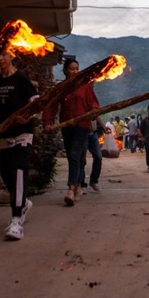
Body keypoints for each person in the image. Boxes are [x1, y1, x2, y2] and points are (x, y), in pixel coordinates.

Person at [0, 50, 38, 240]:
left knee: (18, 170)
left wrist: (28, 116)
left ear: (11, 56)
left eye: (4, 54)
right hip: (5, 134)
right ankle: (23, 203)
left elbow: (35, 102)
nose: (0, 58)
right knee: (7, 173)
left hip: (23, 133)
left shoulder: (21, 78)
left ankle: (16, 220)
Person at [42, 59, 100, 206]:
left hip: (82, 126)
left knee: (74, 154)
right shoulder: (61, 87)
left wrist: (93, 112)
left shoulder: (85, 86)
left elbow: (93, 104)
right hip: (67, 126)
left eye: (77, 68)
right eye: (71, 69)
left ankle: (71, 188)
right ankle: (79, 185)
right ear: (66, 71)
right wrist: (47, 122)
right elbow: (51, 106)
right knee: (75, 157)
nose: (75, 71)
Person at [79, 117, 108, 192]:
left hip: (93, 134)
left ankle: (93, 181)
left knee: (98, 156)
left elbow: (97, 116)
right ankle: (81, 184)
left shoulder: (93, 107)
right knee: (82, 160)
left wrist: (104, 127)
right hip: (82, 134)